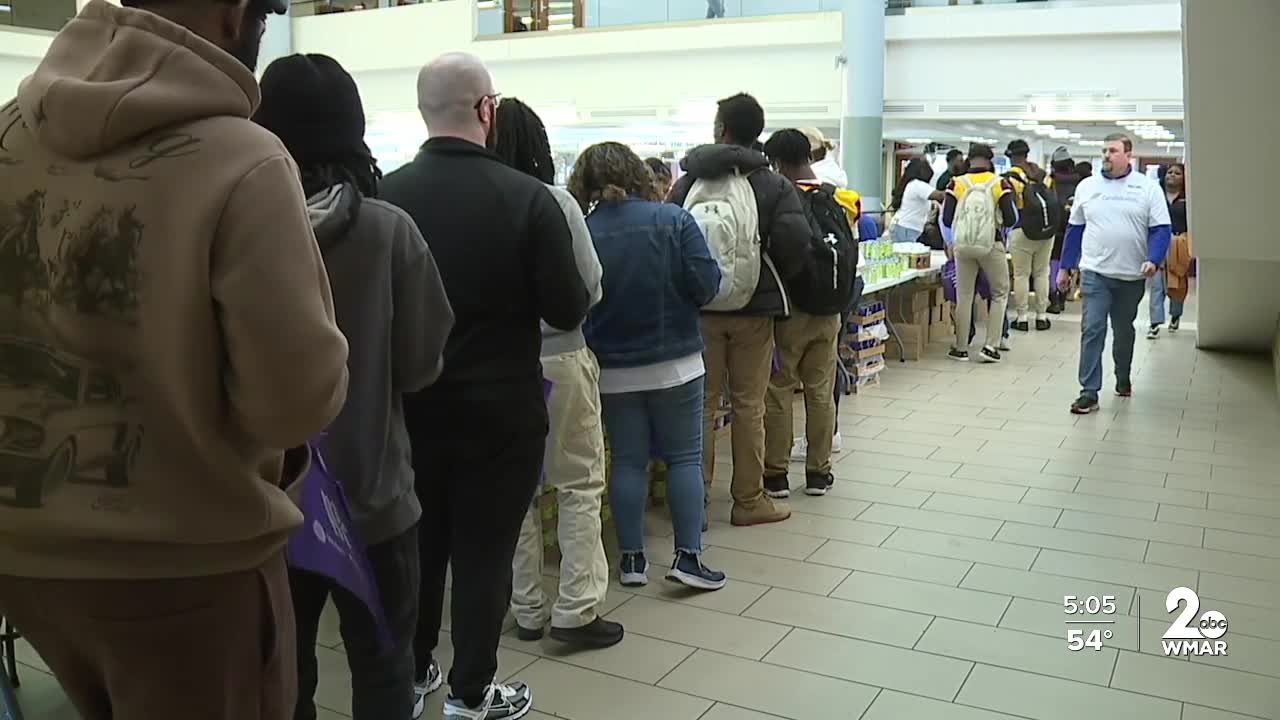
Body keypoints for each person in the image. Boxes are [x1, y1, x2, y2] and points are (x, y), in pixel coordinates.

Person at [0, 1, 351, 719]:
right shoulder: (243, 158)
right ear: (233, 13)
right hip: (186, 566)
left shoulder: (9, 131)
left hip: (23, 550)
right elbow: (292, 403)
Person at [381, 53, 590, 720]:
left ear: (423, 112)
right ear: (485, 109)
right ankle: (470, 694)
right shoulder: (528, 198)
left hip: (410, 408)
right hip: (502, 410)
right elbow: (567, 308)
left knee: (419, 547)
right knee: (485, 553)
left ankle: (413, 673)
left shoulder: (385, 197)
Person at [254, 54, 453, 720]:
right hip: (376, 499)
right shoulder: (388, 231)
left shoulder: (239, 227)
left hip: (268, 503)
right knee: (383, 670)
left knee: (284, 677)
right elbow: (422, 366)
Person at [492, 99, 622, 650]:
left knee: (515, 490)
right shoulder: (556, 202)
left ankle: (526, 607)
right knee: (578, 483)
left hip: (499, 363)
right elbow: (590, 284)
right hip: (562, 358)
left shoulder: (477, 199)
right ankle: (576, 607)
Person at [572, 142, 727, 590]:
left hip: (612, 367)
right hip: (677, 362)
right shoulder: (674, 220)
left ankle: (632, 561)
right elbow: (707, 285)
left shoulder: (582, 231)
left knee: (627, 461)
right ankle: (688, 558)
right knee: (684, 458)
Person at [668, 92, 810, 528]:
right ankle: (749, 500)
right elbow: (796, 242)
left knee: (701, 405)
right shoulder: (773, 185)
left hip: (700, 311)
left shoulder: (688, 183)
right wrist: (766, 276)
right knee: (750, 404)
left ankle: (695, 505)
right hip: (754, 310)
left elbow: (668, 235)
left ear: (722, 130)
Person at [760, 129, 859, 499]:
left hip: (791, 312)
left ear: (778, 163)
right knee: (820, 391)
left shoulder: (781, 199)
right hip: (830, 310)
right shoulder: (841, 198)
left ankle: (776, 474)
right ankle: (819, 472)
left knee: (779, 389)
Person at [1057, 133, 1171, 414]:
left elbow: (1161, 229)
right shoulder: (1087, 187)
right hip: (1095, 271)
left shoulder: (1147, 188)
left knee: (1123, 330)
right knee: (1092, 328)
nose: (1107, 155)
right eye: (1104, 150)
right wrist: (1065, 267)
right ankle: (1089, 391)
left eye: (1113, 150)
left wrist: (1153, 259)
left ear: (1128, 155)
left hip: (1132, 274)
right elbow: (1075, 229)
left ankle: (1122, 375)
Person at [942, 143, 1018, 363]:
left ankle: (961, 348)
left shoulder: (956, 183)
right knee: (999, 293)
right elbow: (1011, 218)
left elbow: (946, 218)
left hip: (963, 246)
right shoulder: (999, 183)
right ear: (989, 160)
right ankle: (991, 346)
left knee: (964, 296)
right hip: (991, 244)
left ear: (969, 159)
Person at [1004, 139, 1055, 333]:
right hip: (1046, 231)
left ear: (1011, 157)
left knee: (1021, 274)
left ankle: (1022, 318)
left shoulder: (1009, 178)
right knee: (1042, 273)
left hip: (1021, 230)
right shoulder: (1044, 176)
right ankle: (1042, 316)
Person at [1148, 162, 1188, 337]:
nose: (1172, 175)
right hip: (1158, 243)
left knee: (1176, 283)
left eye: (1177, 173)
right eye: (1170, 172)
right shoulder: (1157, 196)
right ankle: (1155, 322)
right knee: (1156, 284)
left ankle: (1175, 314)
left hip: (1179, 245)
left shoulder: (1188, 200)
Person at [1047, 147, 1082, 314]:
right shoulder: (1079, 183)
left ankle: (1054, 297)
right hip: (1072, 228)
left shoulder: (1050, 182)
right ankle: (1063, 296)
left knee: (1053, 263)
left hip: (1053, 228)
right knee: (1066, 263)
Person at [890, 157, 946, 244]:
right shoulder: (917, 185)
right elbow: (940, 196)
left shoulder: (912, 184)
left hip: (903, 227)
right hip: (906, 228)